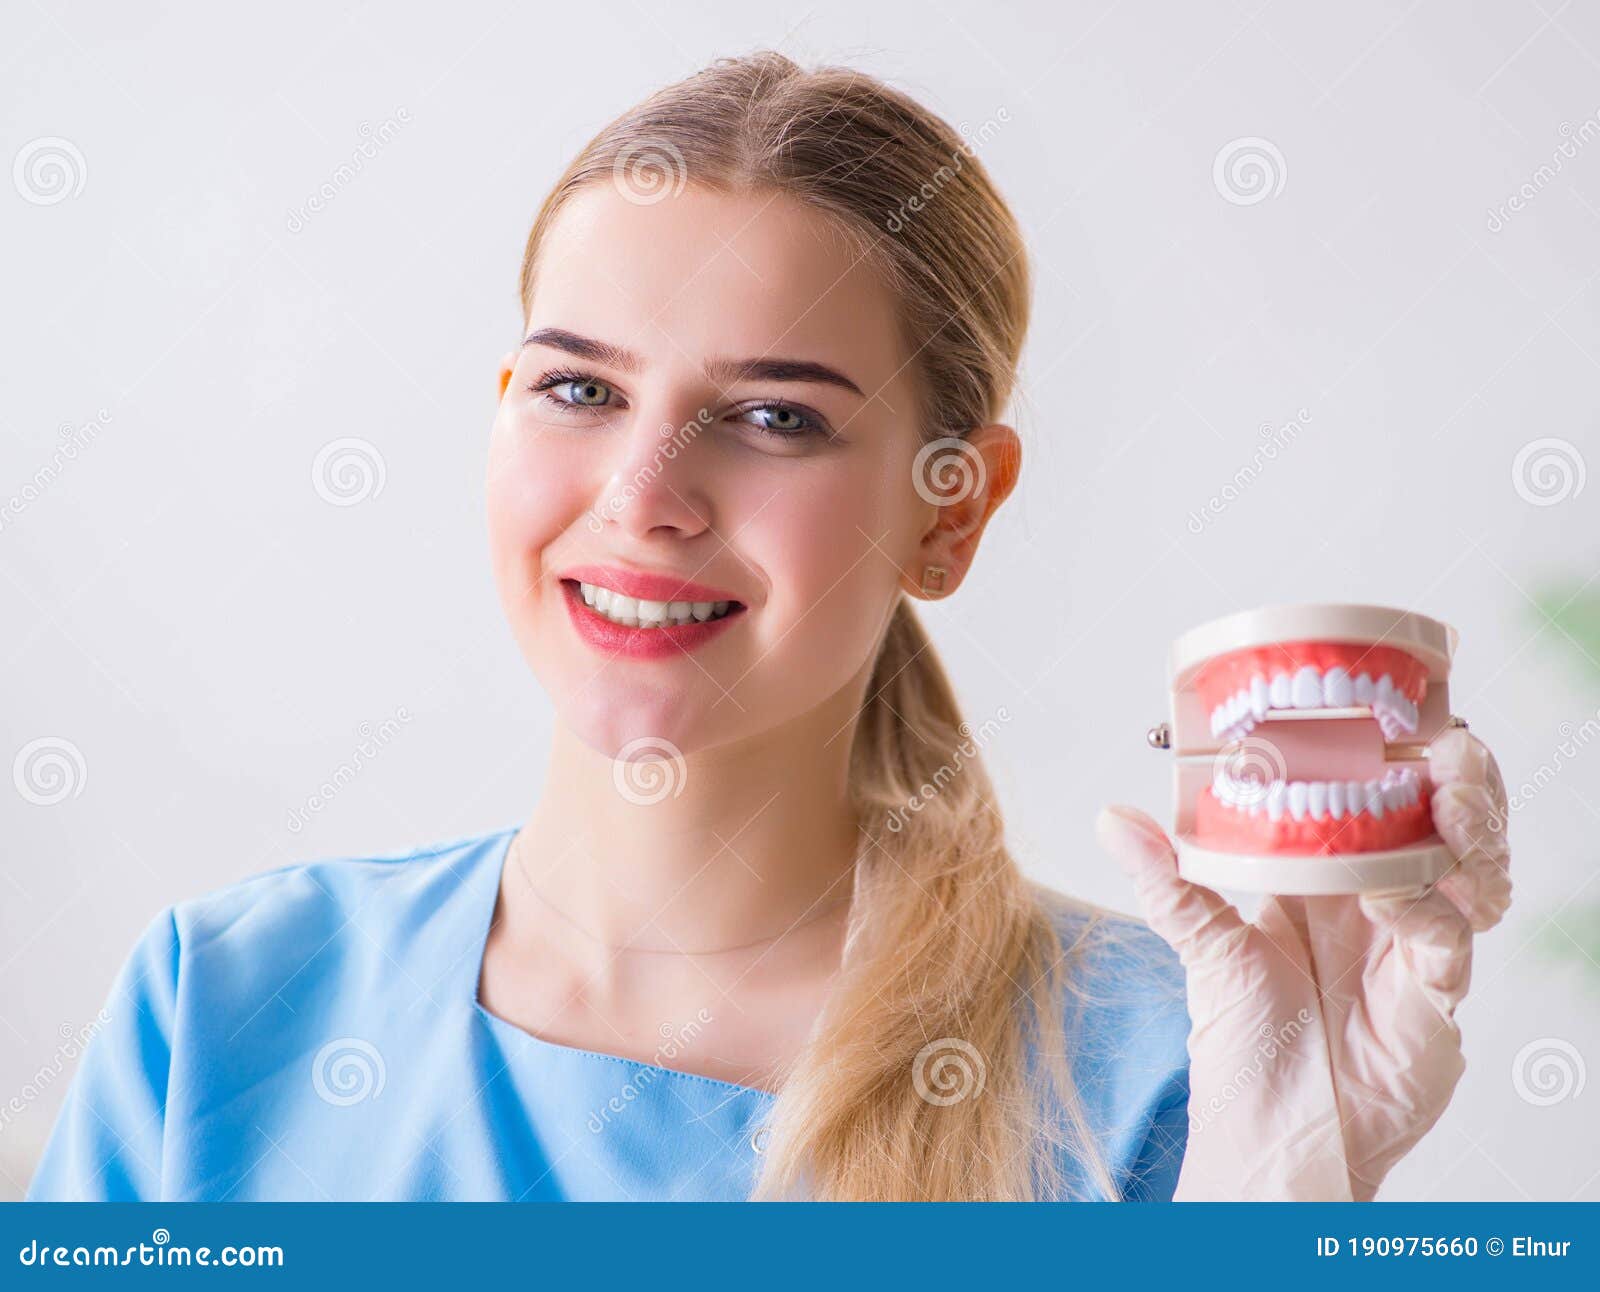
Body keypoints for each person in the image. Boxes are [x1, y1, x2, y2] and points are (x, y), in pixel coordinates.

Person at [26, 50, 1510, 1203]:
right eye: (580, 389)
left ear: (953, 509)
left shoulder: (1161, 1066)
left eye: (773, 417)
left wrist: (1283, 1190)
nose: (646, 497)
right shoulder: (221, 1007)